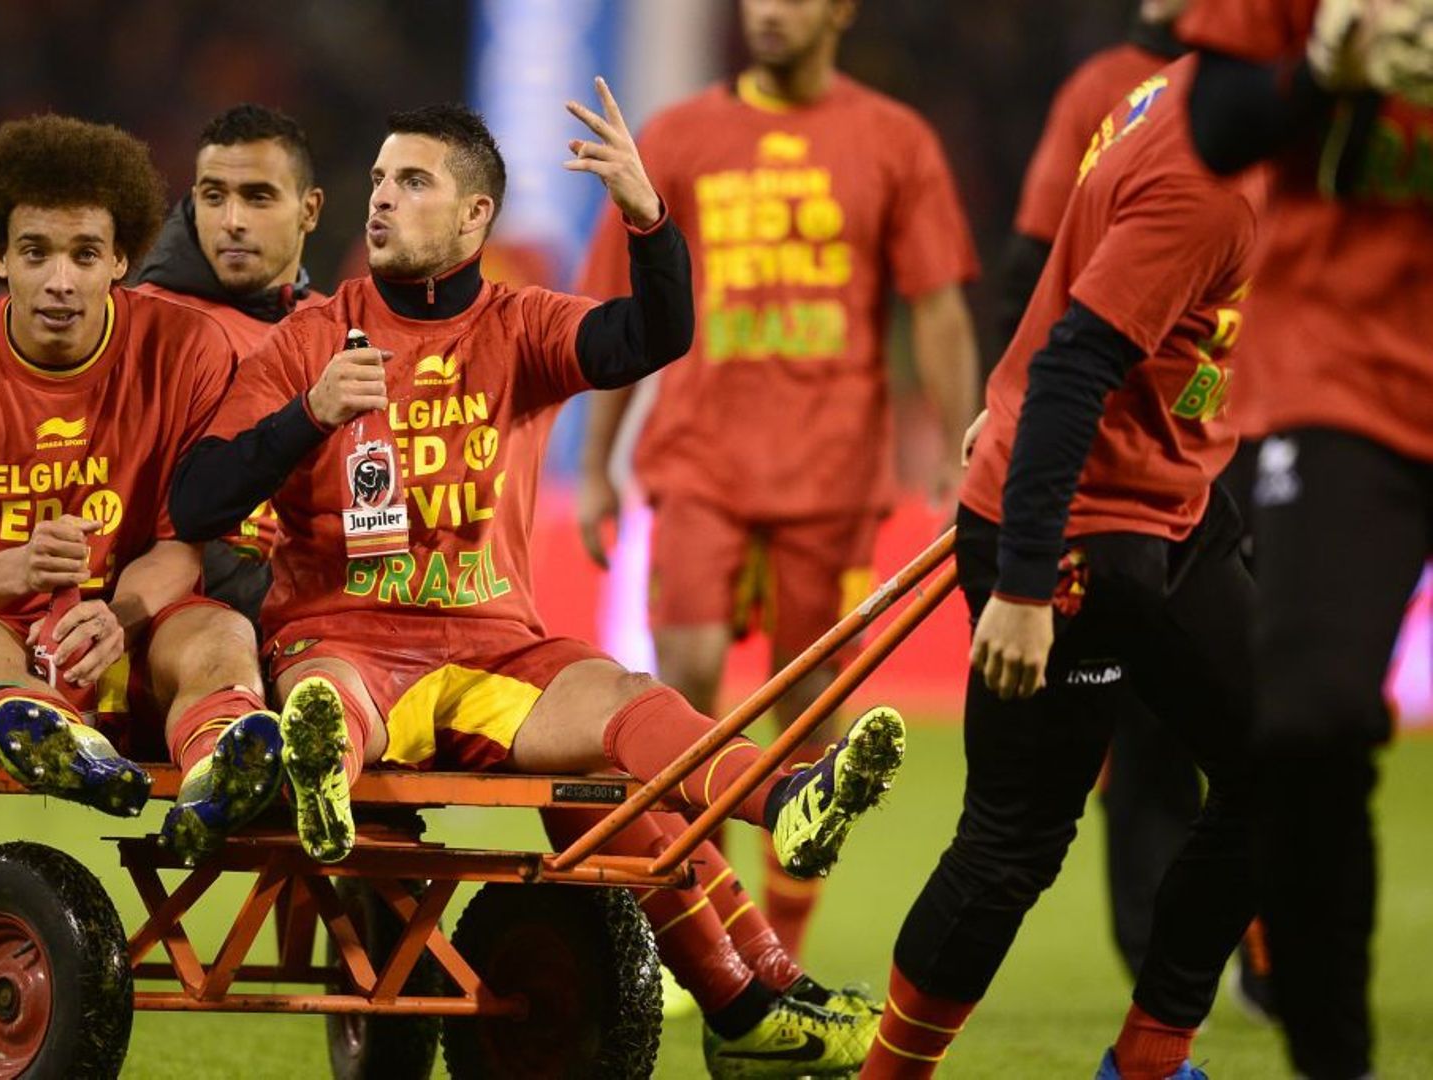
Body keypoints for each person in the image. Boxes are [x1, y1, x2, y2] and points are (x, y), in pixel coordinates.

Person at [168, 87, 905, 1075]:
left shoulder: (521, 329)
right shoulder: (311, 337)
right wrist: (308, 413)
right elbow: (197, 499)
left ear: (476, 217)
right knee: (323, 706)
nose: (380, 199)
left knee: (627, 700)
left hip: (493, 652)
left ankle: (789, 802)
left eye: (413, 182)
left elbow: (654, 336)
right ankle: (326, 795)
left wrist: (649, 219)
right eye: (379, 180)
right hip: (347, 645)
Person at [857, 55, 1267, 1079]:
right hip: (1078, 527)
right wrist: (1027, 584)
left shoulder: (1183, 95)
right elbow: (1080, 359)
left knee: (1286, 762)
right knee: (1015, 843)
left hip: (1166, 504)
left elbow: (1080, 278)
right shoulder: (1204, 182)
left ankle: (1149, 1061)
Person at [572, 0, 980, 960]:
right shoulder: (678, 137)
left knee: (813, 717)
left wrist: (964, 458)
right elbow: (615, 312)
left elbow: (941, 312)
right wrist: (594, 465)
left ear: (840, 12)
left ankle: (778, 945)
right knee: (690, 683)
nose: (766, 12)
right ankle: (691, 942)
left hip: (833, 474)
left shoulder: (894, 141)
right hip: (700, 461)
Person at [0, 114, 273, 819]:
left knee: (222, 633)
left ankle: (220, 771)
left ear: (122, 259)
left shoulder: (189, 352)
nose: (60, 281)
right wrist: (15, 570)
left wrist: (119, 617)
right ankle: (47, 735)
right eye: (36, 253)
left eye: (85, 254)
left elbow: (180, 544)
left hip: (126, 640)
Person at [1177, 2, 1433, 1075]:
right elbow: (1222, 123)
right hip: (1346, 376)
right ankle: (1336, 1062)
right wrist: (1323, 67)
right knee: (1306, 726)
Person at [133, 103, 326, 632]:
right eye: (214, 196)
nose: (232, 221)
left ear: (310, 210)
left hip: (311, 603)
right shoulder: (147, 328)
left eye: (258, 197)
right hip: (197, 619)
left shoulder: (339, 325)